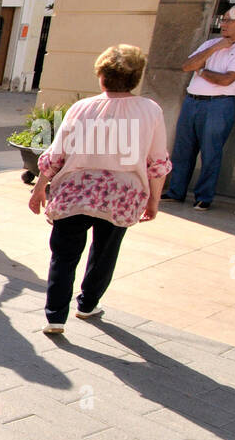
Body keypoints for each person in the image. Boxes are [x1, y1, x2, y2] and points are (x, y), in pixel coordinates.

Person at [29, 44, 171, 334]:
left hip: (76, 188)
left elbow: (58, 153)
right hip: (122, 192)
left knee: (64, 255)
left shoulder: (83, 108)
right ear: (136, 77)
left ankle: (55, 316)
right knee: (105, 252)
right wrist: (154, 200)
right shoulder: (150, 110)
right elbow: (156, 162)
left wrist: (39, 187)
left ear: (102, 76)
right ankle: (87, 303)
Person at [161, 3, 235, 210]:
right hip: (192, 100)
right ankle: (176, 191)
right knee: (183, 149)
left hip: (219, 104)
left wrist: (201, 71)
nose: (224, 24)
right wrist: (214, 48)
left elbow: (226, 80)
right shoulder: (212, 43)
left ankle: (204, 197)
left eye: (230, 20)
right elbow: (187, 66)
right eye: (222, 19)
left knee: (210, 151)